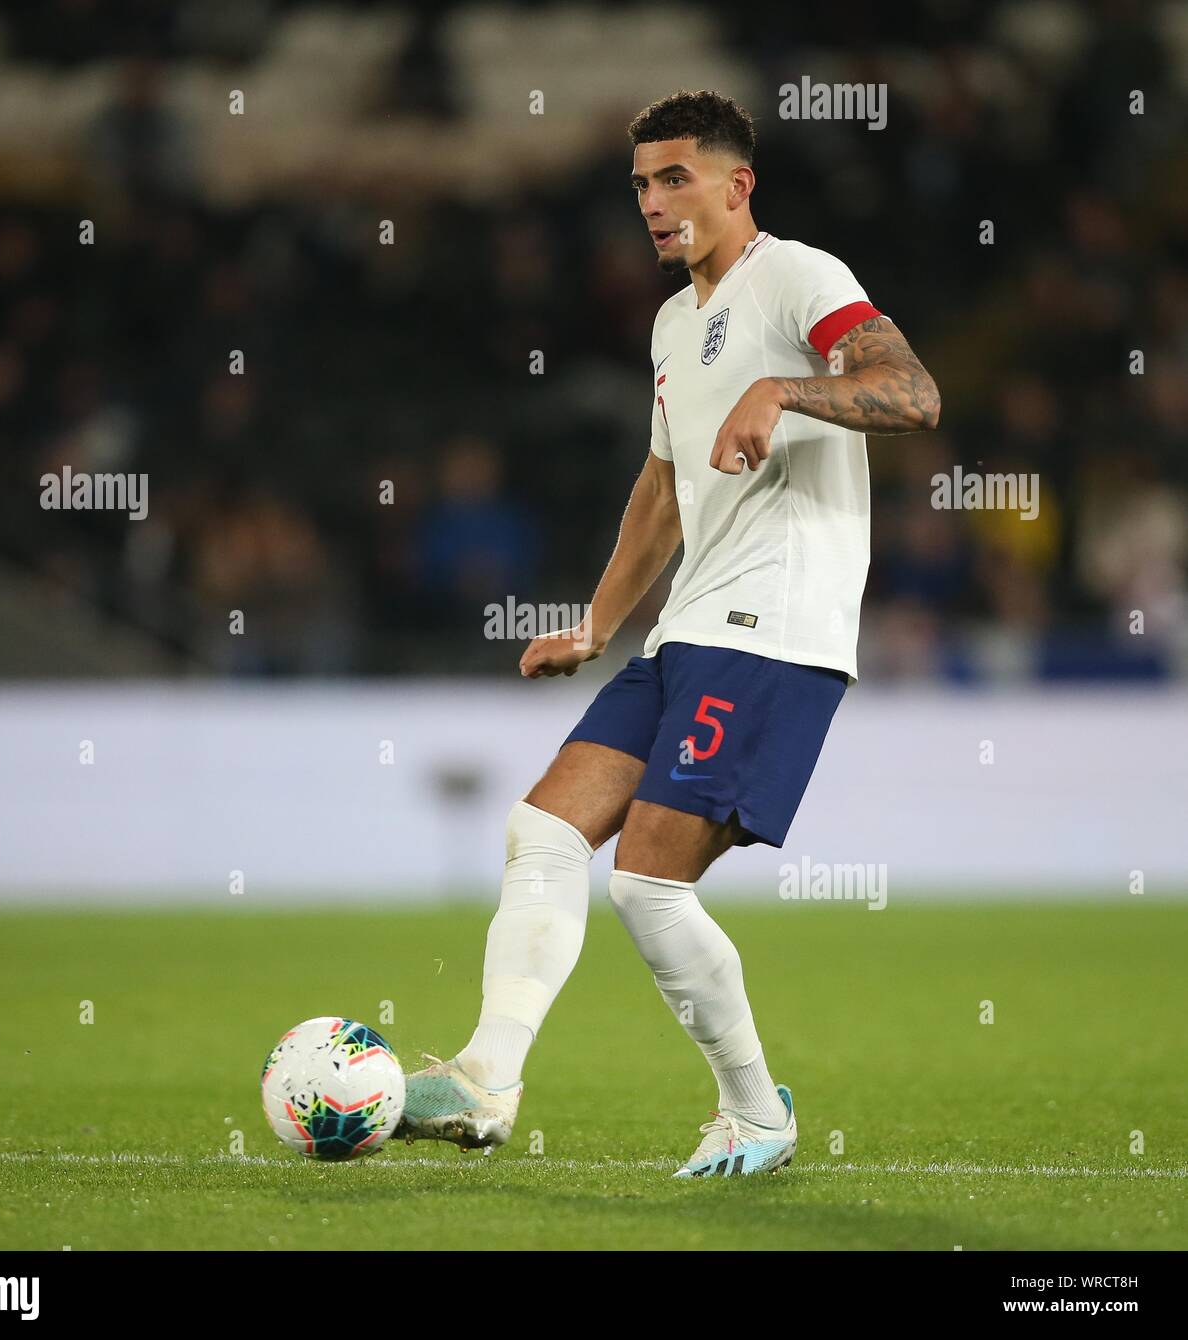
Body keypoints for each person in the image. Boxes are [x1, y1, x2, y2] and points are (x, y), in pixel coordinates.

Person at [397, 90, 940, 1178]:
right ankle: (486, 1078)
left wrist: (785, 390)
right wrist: (599, 621)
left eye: (675, 177)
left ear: (738, 184)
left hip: (777, 626)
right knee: (541, 831)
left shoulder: (799, 277)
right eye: (641, 183)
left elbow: (912, 392)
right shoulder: (671, 323)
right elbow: (662, 486)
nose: (652, 202)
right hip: (687, 626)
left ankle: (756, 1113)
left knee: (647, 883)